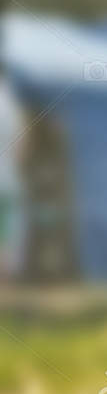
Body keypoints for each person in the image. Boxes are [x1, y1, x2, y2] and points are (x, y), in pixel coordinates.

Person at [0, 72, 29, 280]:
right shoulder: (11, 102)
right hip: (8, 181)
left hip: (7, 183)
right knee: (6, 241)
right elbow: (23, 145)